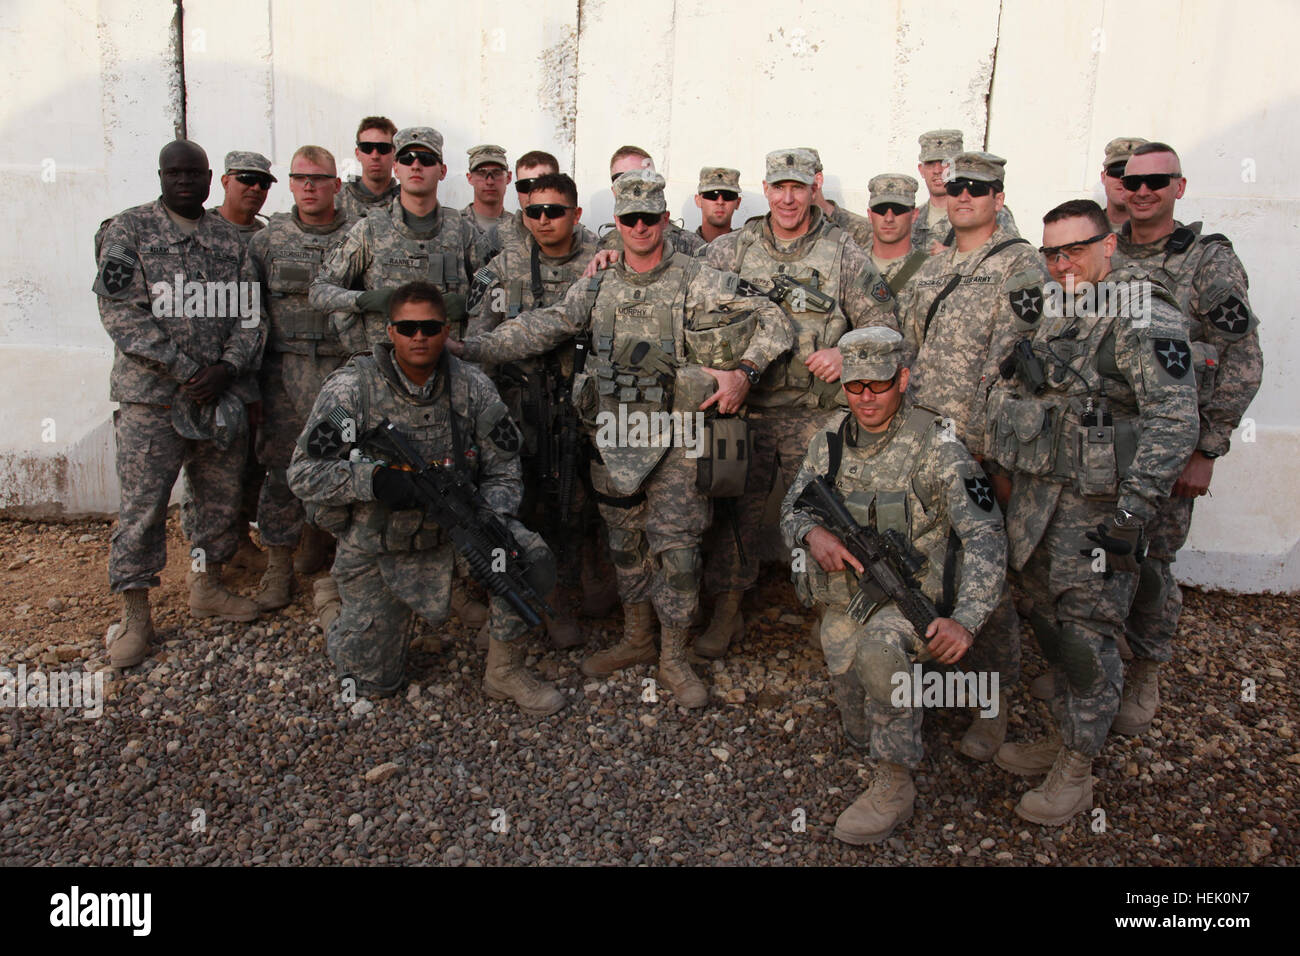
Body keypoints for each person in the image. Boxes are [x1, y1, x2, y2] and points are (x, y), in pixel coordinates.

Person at [453, 170, 793, 708]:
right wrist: (473, 349)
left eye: (649, 218)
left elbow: (775, 320)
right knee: (625, 545)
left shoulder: (697, 278)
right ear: (617, 222)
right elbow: (549, 324)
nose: (639, 227)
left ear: (663, 220)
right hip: (614, 434)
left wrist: (744, 373)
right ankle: (637, 639)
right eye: (629, 218)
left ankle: (674, 657)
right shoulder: (598, 281)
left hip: (680, 438)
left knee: (678, 551)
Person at [989, 199, 1199, 823]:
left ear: (1109, 245)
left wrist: (1133, 514)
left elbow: (1174, 417)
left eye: (1075, 249)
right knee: (1045, 619)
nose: (1062, 264)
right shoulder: (1062, 311)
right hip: (1039, 503)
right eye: (1052, 253)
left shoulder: (1144, 315)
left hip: (1099, 511)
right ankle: (1066, 737)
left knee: (1088, 635)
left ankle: (1077, 773)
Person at [287, 281, 564, 714]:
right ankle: (331, 605)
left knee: (522, 556)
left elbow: (504, 468)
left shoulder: (471, 386)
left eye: (430, 328)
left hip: (453, 533)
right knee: (374, 683)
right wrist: (374, 481)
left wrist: (488, 518)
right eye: (408, 328)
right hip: (379, 544)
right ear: (390, 330)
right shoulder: (351, 389)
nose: (420, 337)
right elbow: (303, 473)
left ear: (446, 329)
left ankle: (504, 670)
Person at [781, 327, 1007, 844]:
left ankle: (894, 782)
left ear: (902, 379)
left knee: (881, 654)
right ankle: (895, 719)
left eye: (878, 386)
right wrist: (813, 532)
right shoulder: (830, 439)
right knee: (856, 723)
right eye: (855, 386)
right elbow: (792, 505)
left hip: (918, 592)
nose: (865, 398)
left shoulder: (938, 444)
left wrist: (966, 619)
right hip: (850, 596)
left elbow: (986, 535)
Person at [697, 147, 897, 659]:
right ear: (766, 190)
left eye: (798, 187)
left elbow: (884, 324)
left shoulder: (843, 252)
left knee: (828, 515)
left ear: (815, 188)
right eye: (779, 187)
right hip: (747, 410)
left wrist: (844, 353)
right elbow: (688, 300)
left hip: (816, 412)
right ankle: (728, 611)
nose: (788, 198)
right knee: (734, 514)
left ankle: (832, 614)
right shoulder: (733, 250)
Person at [310, 126, 495, 626]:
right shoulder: (369, 230)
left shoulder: (463, 231)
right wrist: (364, 300)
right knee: (374, 485)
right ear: (395, 166)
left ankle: (451, 584)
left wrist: (469, 331)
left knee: (451, 480)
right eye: (407, 157)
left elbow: (497, 292)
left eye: (426, 158)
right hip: (380, 385)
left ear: (441, 170)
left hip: (446, 381)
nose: (416, 165)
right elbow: (320, 290)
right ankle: (350, 582)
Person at [898, 150, 1048, 756]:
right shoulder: (932, 269)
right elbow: (906, 355)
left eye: (978, 189)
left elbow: (1019, 367)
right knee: (925, 560)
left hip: (980, 452)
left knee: (988, 578)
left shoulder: (1021, 269)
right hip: (923, 444)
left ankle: (995, 703)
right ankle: (936, 676)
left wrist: (993, 456)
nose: (963, 196)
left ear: (999, 197)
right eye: (955, 186)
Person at [1110, 142, 1263, 734]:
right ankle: (1100, 662)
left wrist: (1207, 447)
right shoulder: (1102, 252)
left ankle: (1145, 669)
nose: (1142, 190)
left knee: (1151, 563)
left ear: (1179, 186)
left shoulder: (1207, 262)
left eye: (1156, 180)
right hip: (1101, 447)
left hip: (1171, 446)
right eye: (1131, 179)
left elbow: (1242, 357)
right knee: (1099, 556)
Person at [95, 139, 265, 668]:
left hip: (218, 396)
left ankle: (206, 584)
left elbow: (252, 316)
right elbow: (121, 315)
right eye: (176, 172)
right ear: (162, 175)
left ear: (210, 177)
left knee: (215, 498)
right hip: (153, 400)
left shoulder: (228, 240)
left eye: (195, 173)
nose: (186, 180)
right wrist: (188, 369)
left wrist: (228, 368)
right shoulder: (127, 231)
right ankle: (135, 615)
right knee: (143, 508)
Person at [467, 171, 605, 645]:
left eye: (555, 211)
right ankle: (506, 604)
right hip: (516, 406)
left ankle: (562, 602)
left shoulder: (604, 261)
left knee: (571, 507)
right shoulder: (502, 264)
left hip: (578, 410)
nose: (543, 220)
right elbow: (477, 339)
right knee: (511, 505)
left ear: (576, 214)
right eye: (533, 212)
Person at [246, 145, 352, 614]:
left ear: (336, 185)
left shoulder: (359, 236)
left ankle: (338, 564)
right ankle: (278, 564)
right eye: (300, 178)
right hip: (283, 371)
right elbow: (249, 316)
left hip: (340, 371)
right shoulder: (267, 242)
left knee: (343, 463)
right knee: (280, 468)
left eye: (319, 178)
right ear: (289, 184)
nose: (310, 186)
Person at [911, 130, 1018, 253]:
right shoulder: (910, 217)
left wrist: (951, 257)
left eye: (945, 162)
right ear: (921, 169)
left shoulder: (992, 211)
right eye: (930, 163)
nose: (937, 170)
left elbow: (1011, 255)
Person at [599, 146, 707, 256]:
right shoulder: (602, 248)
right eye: (622, 179)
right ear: (613, 190)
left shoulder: (689, 244)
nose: (631, 185)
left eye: (640, 177)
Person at [863, 174, 927, 293]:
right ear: (870, 215)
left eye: (898, 209)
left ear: (914, 215)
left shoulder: (932, 269)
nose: (889, 218)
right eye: (880, 209)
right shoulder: (851, 263)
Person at [336, 116, 400, 221]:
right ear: (357, 153)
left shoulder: (406, 202)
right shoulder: (335, 199)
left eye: (383, 148)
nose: (375, 156)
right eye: (367, 148)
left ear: (395, 153)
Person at [209, 150, 274, 238]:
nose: (256, 188)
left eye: (264, 183)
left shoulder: (267, 237)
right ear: (226, 182)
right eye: (248, 179)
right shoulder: (200, 227)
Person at [461, 144, 511, 236]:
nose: (490, 181)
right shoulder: (452, 225)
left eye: (497, 173)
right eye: (481, 173)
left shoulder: (520, 227)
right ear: (470, 178)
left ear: (508, 177)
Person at [1099, 136, 1147, 232]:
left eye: (1132, 174)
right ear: (1103, 177)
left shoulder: (1167, 233)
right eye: (1116, 172)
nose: (1122, 179)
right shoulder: (1083, 229)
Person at [693, 167, 743, 242]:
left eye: (728, 195)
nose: (720, 202)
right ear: (698, 201)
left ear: (738, 203)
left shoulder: (747, 250)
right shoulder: (681, 247)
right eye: (711, 195)